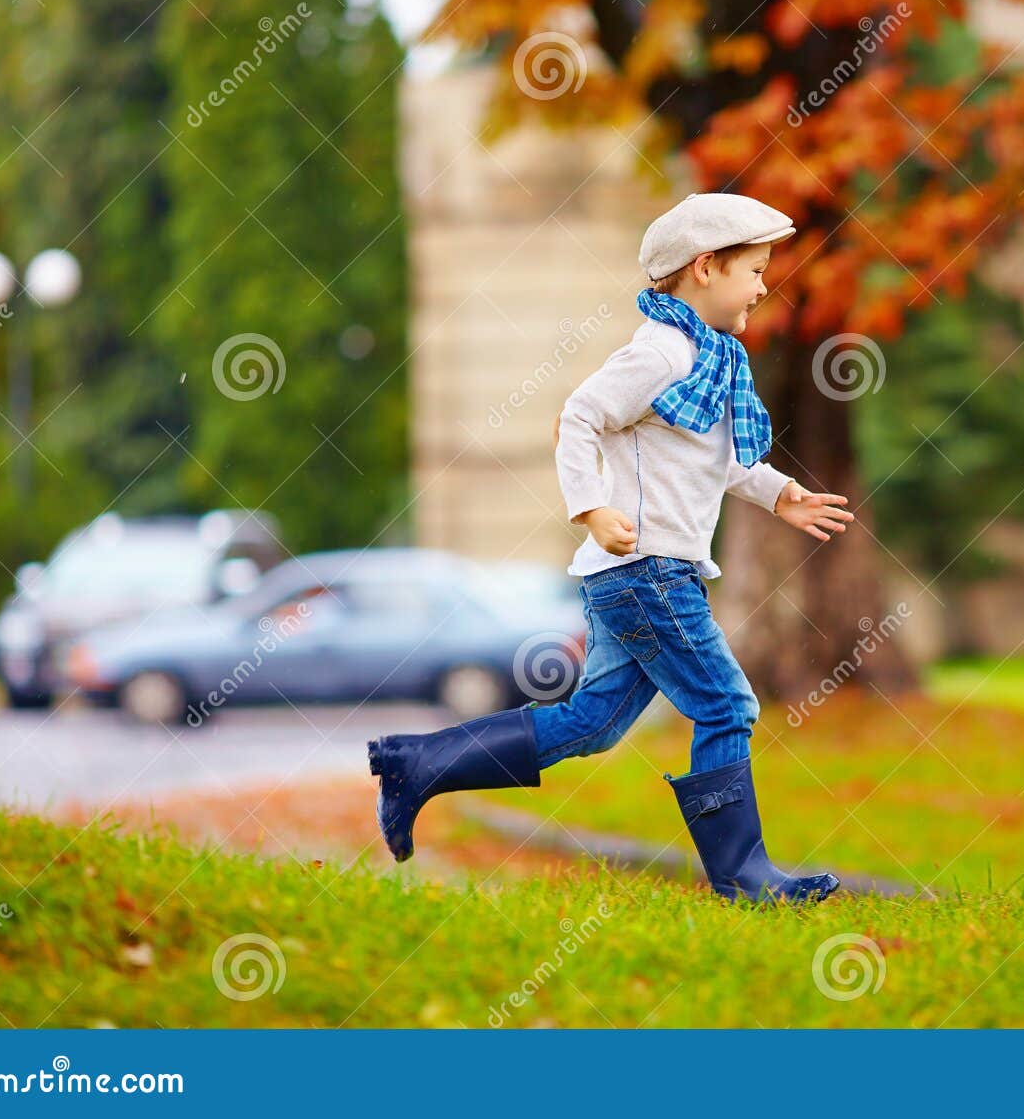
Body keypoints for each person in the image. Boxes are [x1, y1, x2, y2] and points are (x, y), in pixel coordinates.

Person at [367, 192, 856, 903]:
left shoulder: (709, 358)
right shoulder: (660, 351)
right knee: (727, 704)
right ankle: (744, 877)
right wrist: (591, 508)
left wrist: (781, 494)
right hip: (645, 570)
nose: (762, 284)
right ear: (705, 268)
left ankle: (416, 764)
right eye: (753, 269)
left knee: (591, 723)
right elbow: (581, 416)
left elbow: (716, 460)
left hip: (644, 573)